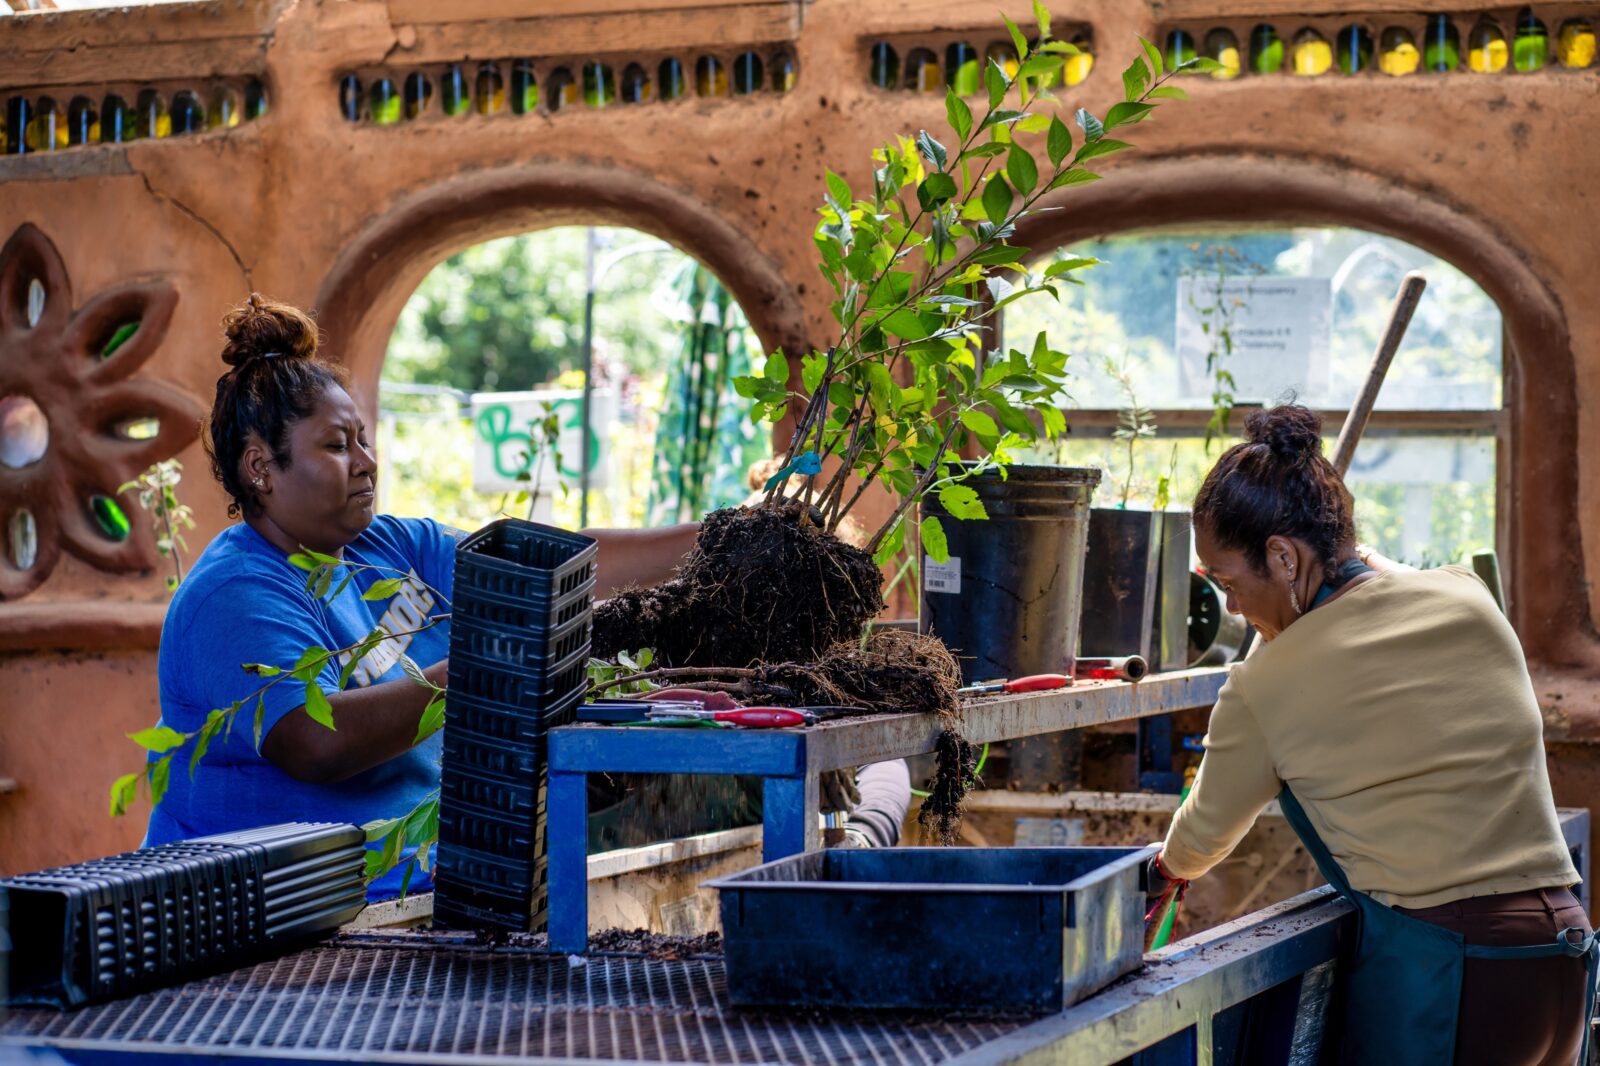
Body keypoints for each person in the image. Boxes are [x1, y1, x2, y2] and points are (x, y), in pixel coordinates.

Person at [143, 295, 696, 899]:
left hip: (407, 893)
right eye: (336, 446)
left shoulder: (393, 548)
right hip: (268, 924)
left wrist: (721, 537)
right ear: (260, 468)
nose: (365, 463)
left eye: (363, 440)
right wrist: (480, 668)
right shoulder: (236, 594)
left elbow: (555, 568)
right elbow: (317, 742)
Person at [1151, 404, 1594, 1064]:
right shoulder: (1469, 599)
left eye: (1228, 583)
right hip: (1561, 955)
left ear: (1282, 555)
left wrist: (1161, 874)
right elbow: (1374, 571)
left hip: (1453, 974)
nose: (1234, 609)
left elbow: (1199, 841)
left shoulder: (1265, 682)